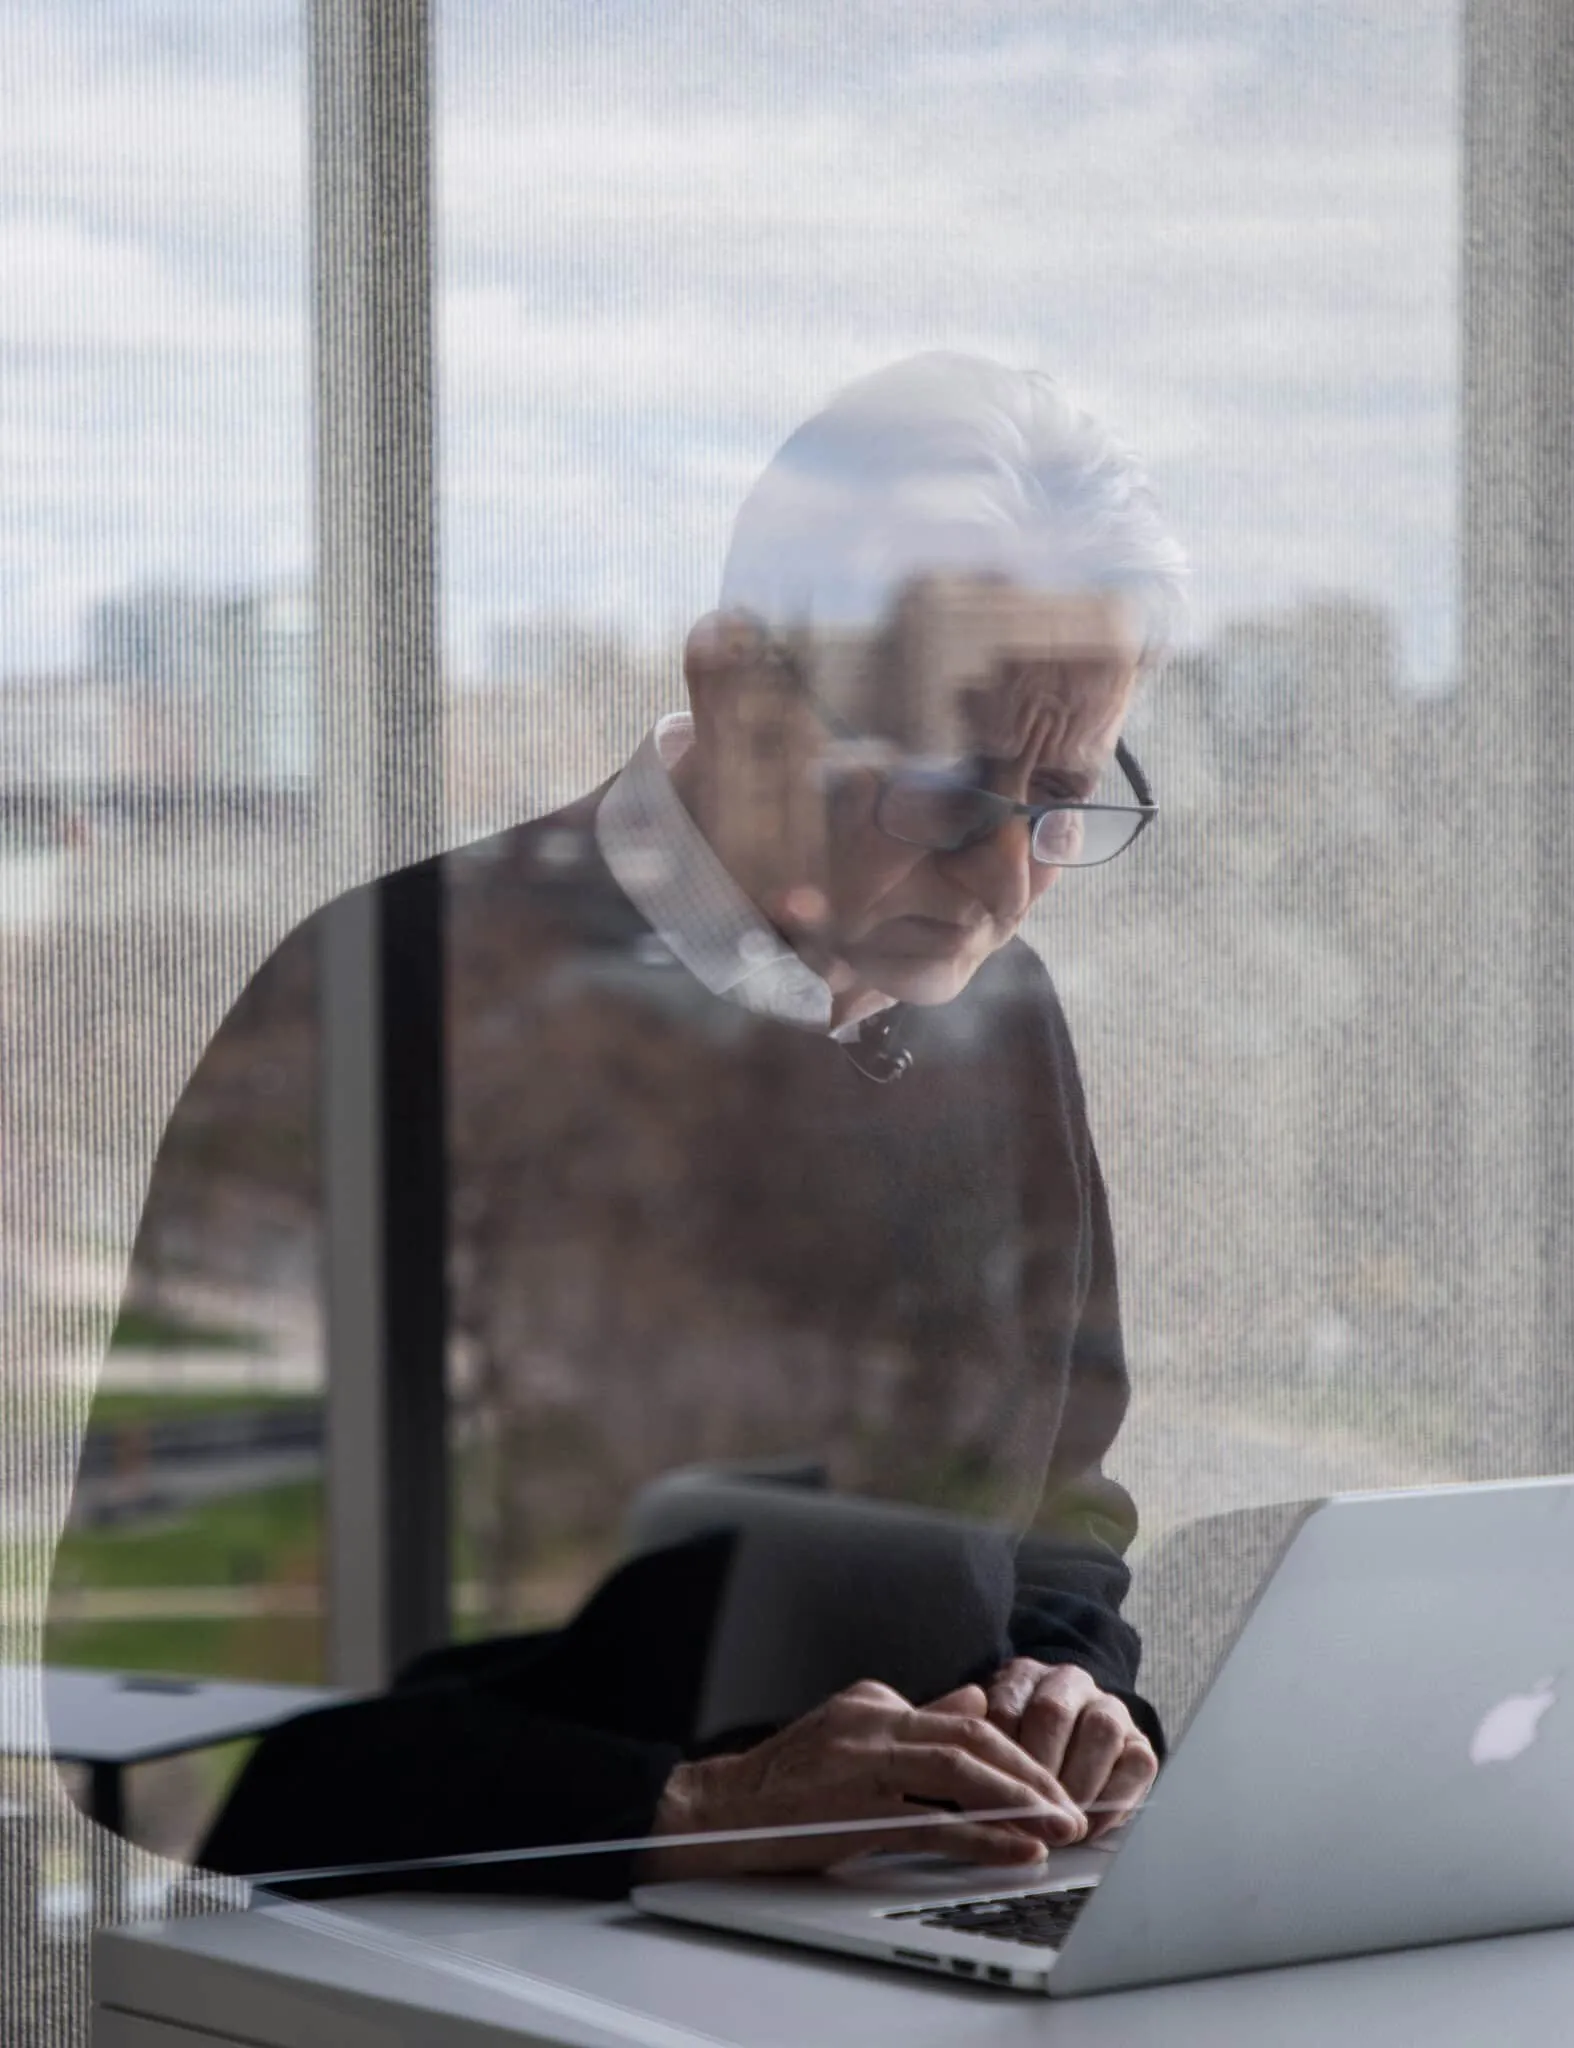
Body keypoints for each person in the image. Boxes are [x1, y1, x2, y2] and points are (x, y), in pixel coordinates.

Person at [55, 352, 1188, 1893]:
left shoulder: (1002, 1018)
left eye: (1061, 799)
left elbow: (1056, 1514)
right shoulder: (386, 1006)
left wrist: (1073, 1695)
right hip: (480, 1982)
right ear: (733, 688)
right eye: (939, 786)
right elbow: (152, 1714)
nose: (1004, 884)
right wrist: (694, 1809)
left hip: (888, 1943)